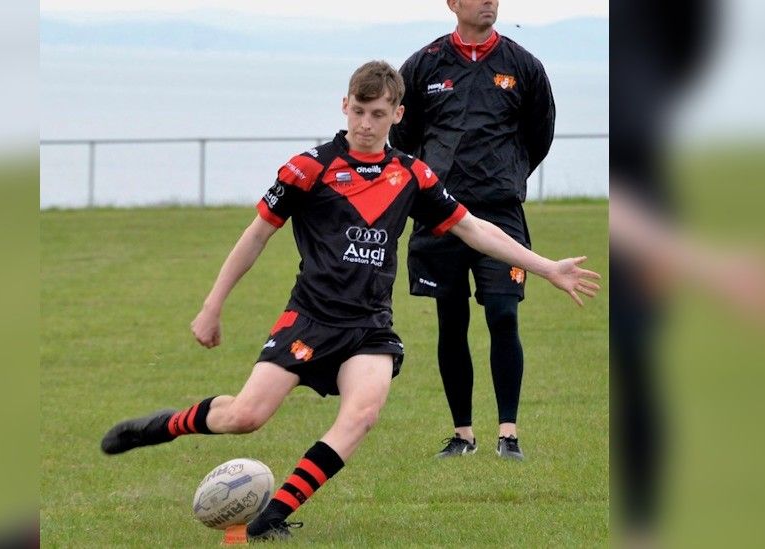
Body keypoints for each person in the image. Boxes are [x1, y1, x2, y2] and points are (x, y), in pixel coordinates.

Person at [100, 60, 599, 543]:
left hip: (369, 328)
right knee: (245, 417)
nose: (366, 123)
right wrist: (212, 305)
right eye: (359, 111)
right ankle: (164, 425)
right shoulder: (307, 169)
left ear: (397, 115)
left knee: (362, 414)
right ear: (344, 106)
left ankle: (271, 518)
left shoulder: (412, 175)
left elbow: (473, 228)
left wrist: (547, 266)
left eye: (378, 114)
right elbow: (254, 237)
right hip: (310, 318)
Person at [389, 0, 555, 460]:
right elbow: (403, 136)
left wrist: (508, 175)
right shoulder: (424, 65)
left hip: (500, 212)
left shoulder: (523, 65)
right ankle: (462, 434)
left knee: (503, 313)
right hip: (441, 213)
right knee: (451, 320)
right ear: (453, 4)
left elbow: (539, 134)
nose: (490, 2)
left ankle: (509, 434)